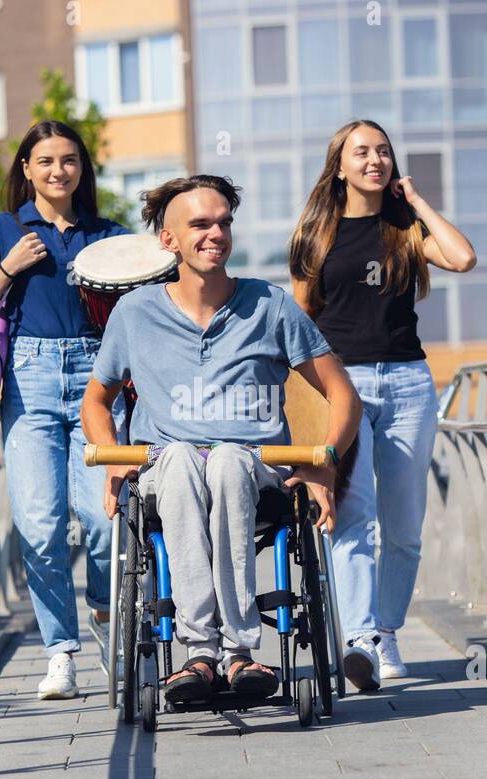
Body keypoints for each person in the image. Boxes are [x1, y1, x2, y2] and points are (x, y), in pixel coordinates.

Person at [80, 175, 361, 702]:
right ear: (168, 240)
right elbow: (96, 400)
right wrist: (115, 463)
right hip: (169, 464)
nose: (216, 234)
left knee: (229, 459)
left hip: (253, 467)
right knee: (186, 459)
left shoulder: (270, 306)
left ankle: (237, 653)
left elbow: (342, 394)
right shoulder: (135, 314)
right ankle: (200, 652)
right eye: (201, 224)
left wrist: (324, 465)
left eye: (224, 223)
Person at [289, 120, 476, 691]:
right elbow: (297, 322)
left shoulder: (405, 229)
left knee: (404, 528)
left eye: (384, 151)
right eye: (362, 152)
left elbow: (463, 258)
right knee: (353, 513)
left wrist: (416, 200)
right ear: (339, 166)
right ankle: (361, 640)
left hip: (409, 386)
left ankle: (389, 630)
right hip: (340, 387)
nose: (376, 160)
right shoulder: (315, 234)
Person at [0, 120, 128, 700]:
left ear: (83, 168)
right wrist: (8, 268)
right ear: (25, 168)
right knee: (40, 524)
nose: (58, 170)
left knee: (104, 519)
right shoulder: (2, 229)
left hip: (96, 375)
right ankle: (61, 654)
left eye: (69, 160)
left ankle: (105, 614)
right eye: (46, 160)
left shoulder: (109, 234)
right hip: (28, 379)